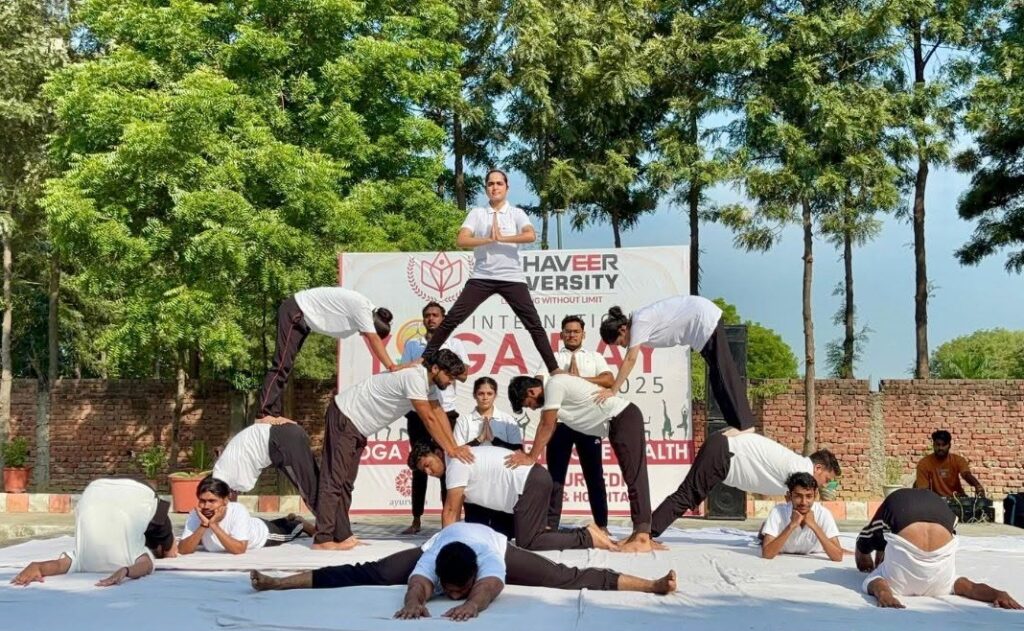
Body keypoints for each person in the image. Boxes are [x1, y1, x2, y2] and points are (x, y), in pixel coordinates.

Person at [250, 521, 677, 622]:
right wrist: (414, 601)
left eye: (458, 592)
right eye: (449, 592)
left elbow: (489, 588)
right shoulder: (431, 562)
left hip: (492, 538)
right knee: (371, 571)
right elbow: (418, 584)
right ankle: (276, 582)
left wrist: (472, 605)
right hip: (445, 537)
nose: (450, 598)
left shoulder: (489, 564)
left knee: (566, 575)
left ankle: (653, 585)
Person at [314, 350, 474, 551]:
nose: (451, 381)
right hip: (345, 416)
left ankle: (342, 534)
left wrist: (455, 447)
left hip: (358, 427)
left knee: (346, 482)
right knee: (334, 480)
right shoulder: (414, 377)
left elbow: (439, 413)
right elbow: (429, 419)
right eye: (449, 376)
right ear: (435, 369)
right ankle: (323, 537)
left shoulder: (429, 385)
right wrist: (450, 449)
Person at [416, 170, 560, 374]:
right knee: (452, 318)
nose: (495, 187)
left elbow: (530, 235)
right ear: (486, 188)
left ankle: (554, 369)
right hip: (482, 277)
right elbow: (462, 240)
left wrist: (503, 238)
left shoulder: (516, 213)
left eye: (499, 183)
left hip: (511, 277)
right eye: (491, 184)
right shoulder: (477, 213)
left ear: (507, 187)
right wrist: (488, 239)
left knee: (534, 324)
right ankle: (424, 359)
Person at [507, 374, 657, 552]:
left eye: (528, 404)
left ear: (531, 391)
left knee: (635, 477)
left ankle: (642, 536)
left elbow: (546, 425)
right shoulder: (553, 391)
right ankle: (641, 534)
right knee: (633, 476)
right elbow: (549, 424)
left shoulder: (554, 385)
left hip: (623, 418)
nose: (532, 408)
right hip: (617, 422)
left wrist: (531, 457)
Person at [410, 444, 616, 551]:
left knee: (529, 542)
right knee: (506, 535)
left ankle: (586, 537)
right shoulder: (458, 463)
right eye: (423, 470)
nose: (428, 471)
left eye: (428, 464)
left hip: (531, 484)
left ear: (438, 452)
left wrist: (445, 547)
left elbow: (451, 511)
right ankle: (584, 531)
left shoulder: (455, 463)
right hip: (533, 481)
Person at [598, 296, 754, 433]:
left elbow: (630, 360)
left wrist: (613, 390)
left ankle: (745, 424)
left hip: (704, 319)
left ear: (623, 329)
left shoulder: (639, 322)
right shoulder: (639, 320)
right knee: (716, 377)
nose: (622, 346)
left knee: (723, 372)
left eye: (620, 342)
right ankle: (735, 423)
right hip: (700, 328)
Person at [649, 430, 840, 538]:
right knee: (687, 495)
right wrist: (832, 542)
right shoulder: (802, 470)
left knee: (688, 495)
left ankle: (646, 531)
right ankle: (645, 533)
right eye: (827, 479)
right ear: (818, 468)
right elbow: (800, 513)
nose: (823, 485)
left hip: (723, 451)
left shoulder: (797, 468)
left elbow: (787, 510)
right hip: (724, 453)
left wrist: (766, 532)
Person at [856, 488, 1021, 609]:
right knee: (873, 540)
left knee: (870, 542)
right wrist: (999, 594)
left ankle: (869, 548)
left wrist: (998, 594)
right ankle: (869, 548)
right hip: (925, 506)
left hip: (939, 518)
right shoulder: (896, 582)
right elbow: (877, 583)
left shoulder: (944, 584)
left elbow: (970, 587)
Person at [10, 478, 175, 588]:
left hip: (96, 490)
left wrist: (38, 566)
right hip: (130, 491)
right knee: (169, 552)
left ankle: (165, 548)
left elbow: (58, 565)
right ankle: (166, 548)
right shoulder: (132, 553)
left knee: (167, 550)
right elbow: (145, 566)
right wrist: (125, 571)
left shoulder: (83, 559)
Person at [259, 286, 394, 419]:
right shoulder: (363, 310)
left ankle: (273, 414)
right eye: (364, 333)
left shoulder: (367, 309)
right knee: (281, 365)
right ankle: (263, 412)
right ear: (373, 324)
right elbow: (374, 339)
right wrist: (392, 366)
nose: (361, 334)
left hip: (302, 319)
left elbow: (373, 336)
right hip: (295, 311)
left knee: (286, 367)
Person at [536, 315, 613, 532]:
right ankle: (550, 526)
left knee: (594, 476)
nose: (572, 335)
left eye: (576, 331)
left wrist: (575, 382)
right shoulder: (551, 358)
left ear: (583, 334)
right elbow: (540, 383)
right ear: (561, 335)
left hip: (589, 422)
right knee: (555, 478)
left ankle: (602, 526)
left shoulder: (594, 357)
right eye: (568, 331)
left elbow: (608, 380)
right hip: (560, 423)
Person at [400, 301, 470, 535]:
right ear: (424, 320)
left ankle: (448, 520)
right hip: (419, 412)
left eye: (436, 315)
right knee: (419, 465)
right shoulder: (413, 344)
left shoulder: (456, 343)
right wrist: (420, 362)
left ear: (443, 318)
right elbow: (405, 371)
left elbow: (464, 375)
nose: (431, 319)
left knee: (448, 465)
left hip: (446, 411)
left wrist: (443, 363)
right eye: (428, 315)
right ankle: (416, 519)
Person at [178, 476, 314, 554]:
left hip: (264, 533)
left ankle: (299, 522)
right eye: (202, 501)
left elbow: (239, 549)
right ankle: (286, 519)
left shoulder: (238, 510)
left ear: (225, 500)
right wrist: (203, 526)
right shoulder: (196, 515)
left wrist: (213, 525)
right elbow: (183, 550)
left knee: (288, 530)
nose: (206, 506)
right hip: (250, 523)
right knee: (277, 522)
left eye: (212, 501)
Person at [211, 417, 318, 513]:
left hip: (280, 440)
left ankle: (327, 529)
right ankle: (328, 526)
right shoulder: (231, 457)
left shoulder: (220, 474)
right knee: (315, 483)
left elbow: (222, 503)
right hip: (285, 435)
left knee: (310, 490)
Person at [759, 472, 842, 561]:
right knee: (762, 537)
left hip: (812, 551)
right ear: (789, 496)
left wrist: (813, 525)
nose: (803, 502)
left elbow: (838, 557)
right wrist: (792, 525)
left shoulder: (823, 513)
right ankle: (763, 530)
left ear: (815, 495)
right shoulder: (778, 512)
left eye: (809, 496)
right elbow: (767, 554)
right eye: (798, 496)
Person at [454, 377, 523, 449]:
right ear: (474, 395)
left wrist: (494, 440)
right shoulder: (463, 421)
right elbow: (455, 453)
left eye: (489, 394)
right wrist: (478, 440)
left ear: (495, 395)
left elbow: (518, 450)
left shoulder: (508, 420)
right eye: (481, 393)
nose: (485, 397)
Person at [914, 430, 984, 498]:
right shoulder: (924, 463)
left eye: (944, 445)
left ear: (949, 445)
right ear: (933, 445)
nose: (940, 448)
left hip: (957, 500)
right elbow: (923, 491)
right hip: (936, 501)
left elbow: (966, 474)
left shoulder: (958, 460)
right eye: (937, 444)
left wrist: (977, 486)